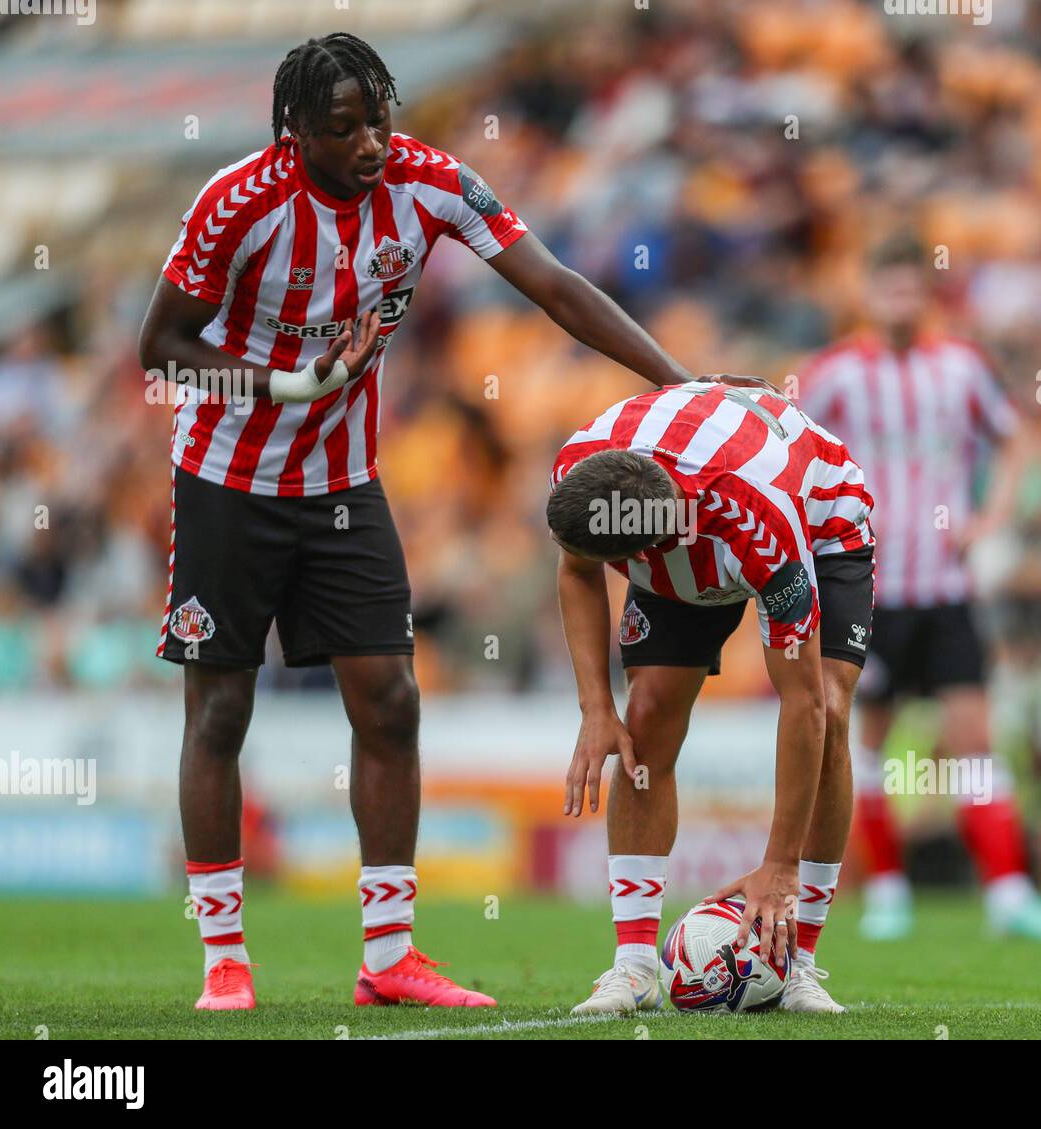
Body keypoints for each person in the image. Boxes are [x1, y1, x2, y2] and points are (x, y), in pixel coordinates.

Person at [137, 32, 694, 1012]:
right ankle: (225, 955)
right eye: (342, 128)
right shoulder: (238, 202)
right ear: (292, 133)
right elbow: (163, 347)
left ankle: (389, 953)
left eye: (379, 119)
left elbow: (556, 287)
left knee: (390, 700)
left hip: (344, 485)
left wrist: (678, 385)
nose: (368, 143)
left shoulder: (431, 184)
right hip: (224, 477)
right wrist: (289, 380)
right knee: (221, 709)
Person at [547, 380, 876, 1014]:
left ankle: (798, 959)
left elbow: (801, 702)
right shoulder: (579, 472)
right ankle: (634, 966)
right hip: (687, 527)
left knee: (831, 714)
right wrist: (595, 709)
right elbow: (576, 567)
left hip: (819, 520)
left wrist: (779, 864)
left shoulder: (758, 523)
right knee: (645, 722)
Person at [798, 234, 1041, 942]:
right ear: (866, 294)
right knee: (863, 741)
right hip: (869, 588)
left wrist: (992, 516)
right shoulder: (832, 375)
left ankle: (1008, 895)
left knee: (974, 738)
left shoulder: (960, 367)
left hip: (946, 587)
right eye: (887, 287)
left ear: (923, 295)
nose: (900, 300)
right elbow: (791, 448)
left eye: (909, 287)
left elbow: (1016, 440)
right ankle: (889, 889)